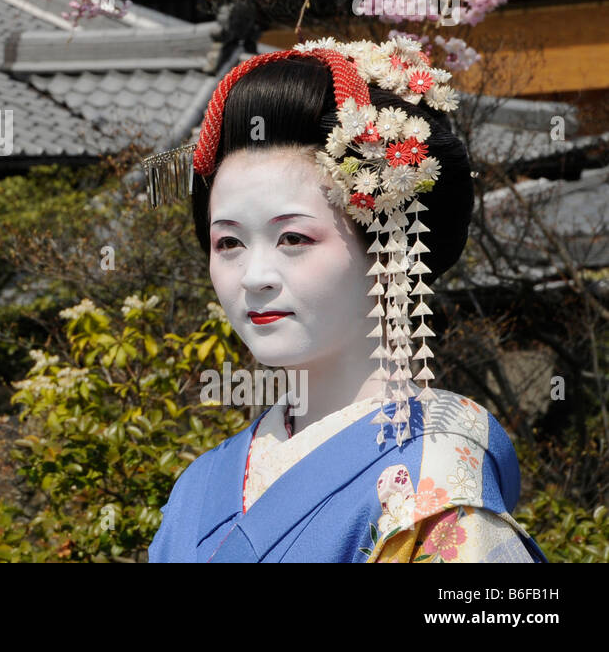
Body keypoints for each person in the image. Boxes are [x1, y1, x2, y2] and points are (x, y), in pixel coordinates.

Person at [142, 37, 546, 563]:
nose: (254, 277)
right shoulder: (199, 488)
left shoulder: (435, 488)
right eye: (229, 243)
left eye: (294, 239)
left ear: (388, 249)